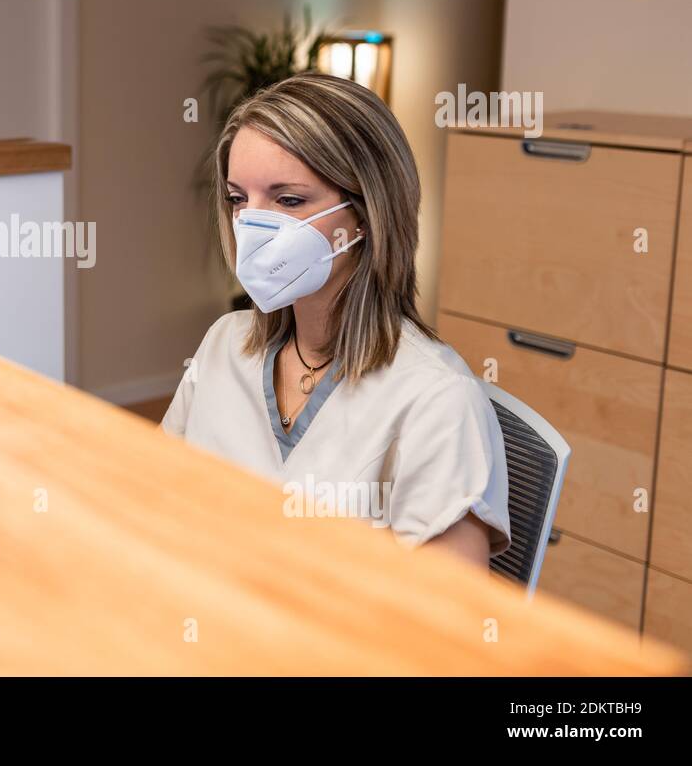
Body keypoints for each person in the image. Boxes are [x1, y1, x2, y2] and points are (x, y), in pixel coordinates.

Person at [162, 73, 510, 568]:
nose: (251, 226)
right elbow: (156, 497)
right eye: (239, 198)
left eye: (288, 201)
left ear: (366, 215)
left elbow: (446, 624)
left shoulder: (436, 398)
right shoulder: (224, 344)